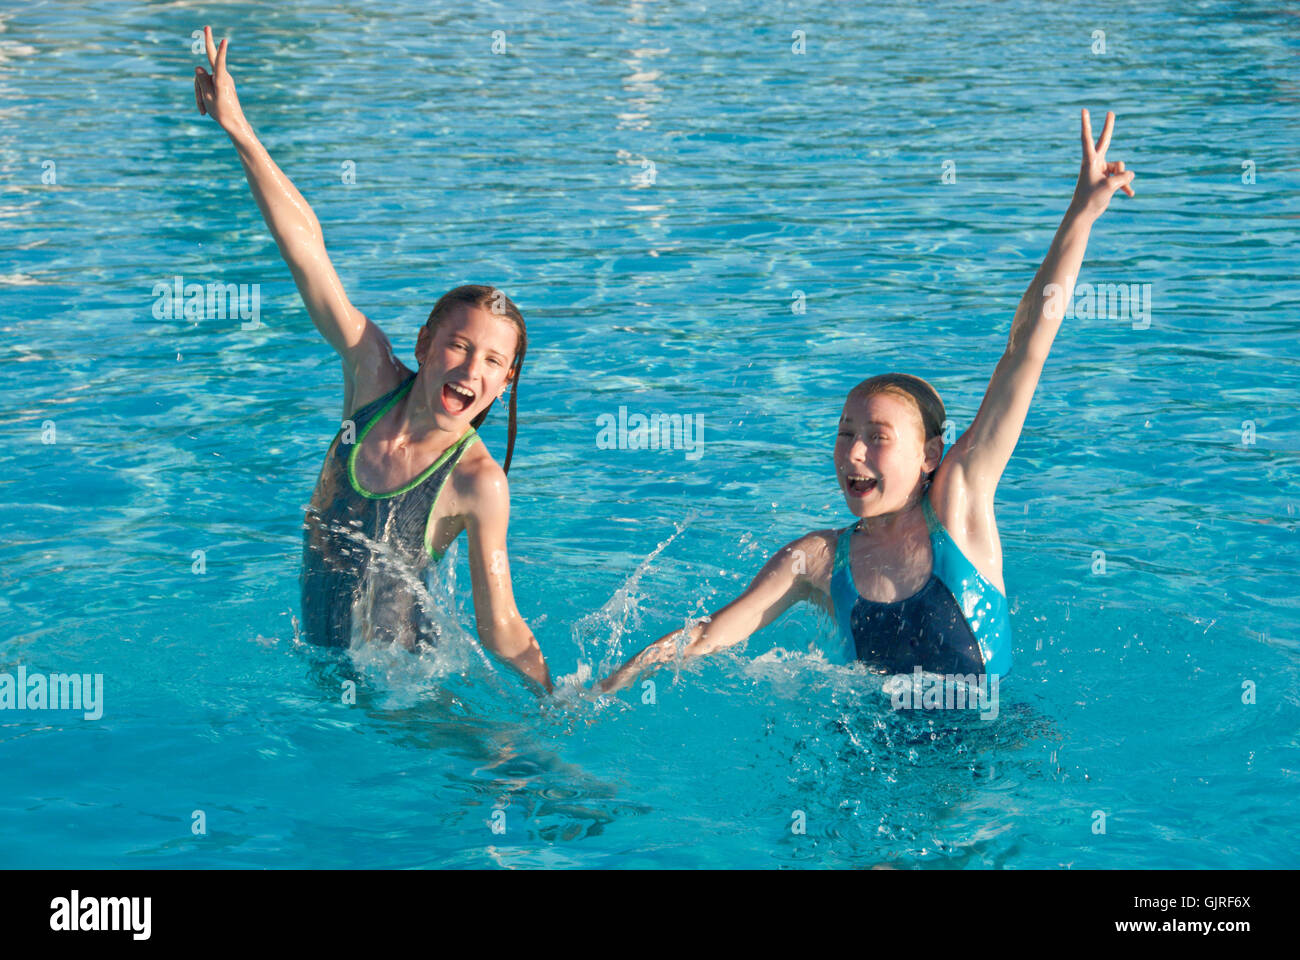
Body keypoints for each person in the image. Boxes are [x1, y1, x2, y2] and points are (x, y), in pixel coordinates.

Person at [601, 108, 1135, 694]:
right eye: (845, 433)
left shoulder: (959, 503)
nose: (853, 453)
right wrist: (606, 689)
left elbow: (1024, 353)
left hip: (986, 756)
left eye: (877, 437)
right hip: (868, 758)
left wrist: (1082, 214)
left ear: (931, 453)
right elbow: (709, 637)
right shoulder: (818, 560)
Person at [193, 26, 551, 692]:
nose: (471, 370)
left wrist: (554, 698)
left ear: (505, 385)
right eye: (459, 345)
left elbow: (500, 624)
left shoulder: (479, 482)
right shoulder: (371, 376)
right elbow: (308, 250)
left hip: (402, 691)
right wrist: (239, 130)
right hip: (323, 671)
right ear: (424, 344)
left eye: (493, 363)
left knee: (501, 771)